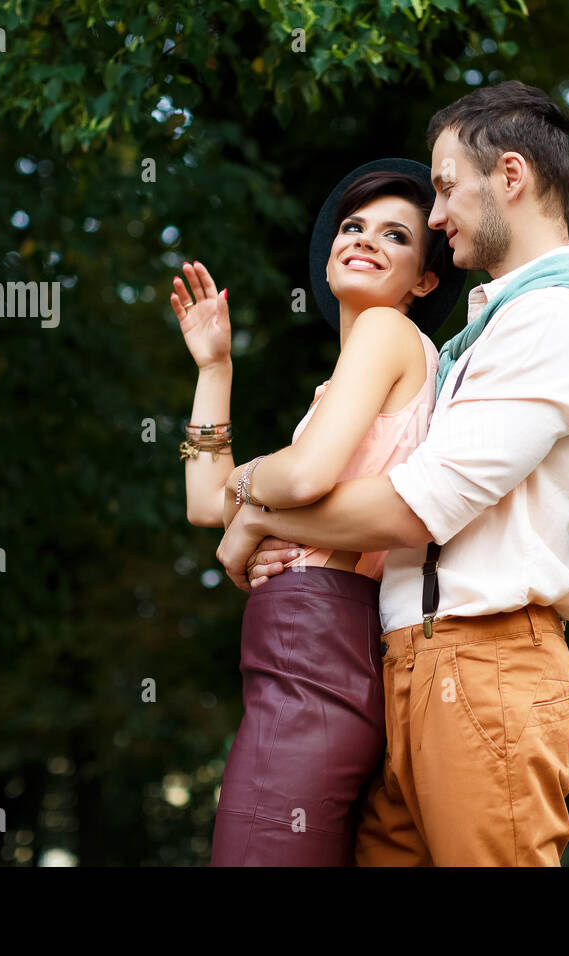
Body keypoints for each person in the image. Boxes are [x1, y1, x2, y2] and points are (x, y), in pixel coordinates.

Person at [216, 80, 569, 865]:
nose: (437, 214)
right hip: (408, 662)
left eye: (445, 188)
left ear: (509, 177)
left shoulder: (555, 317)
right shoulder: (491, 329)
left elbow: (418, 508)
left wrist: (259, 513)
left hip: (485, 665)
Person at [177, 159, 466, 865]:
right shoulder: (347, 383)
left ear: (424, 280)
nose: (364, 239)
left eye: (396, 236)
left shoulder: (385, 333)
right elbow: (205, 503)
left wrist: (256, 505)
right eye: (353, 225)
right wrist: (215, 370)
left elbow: (298, 478)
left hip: (318, 648)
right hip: (318, 653)